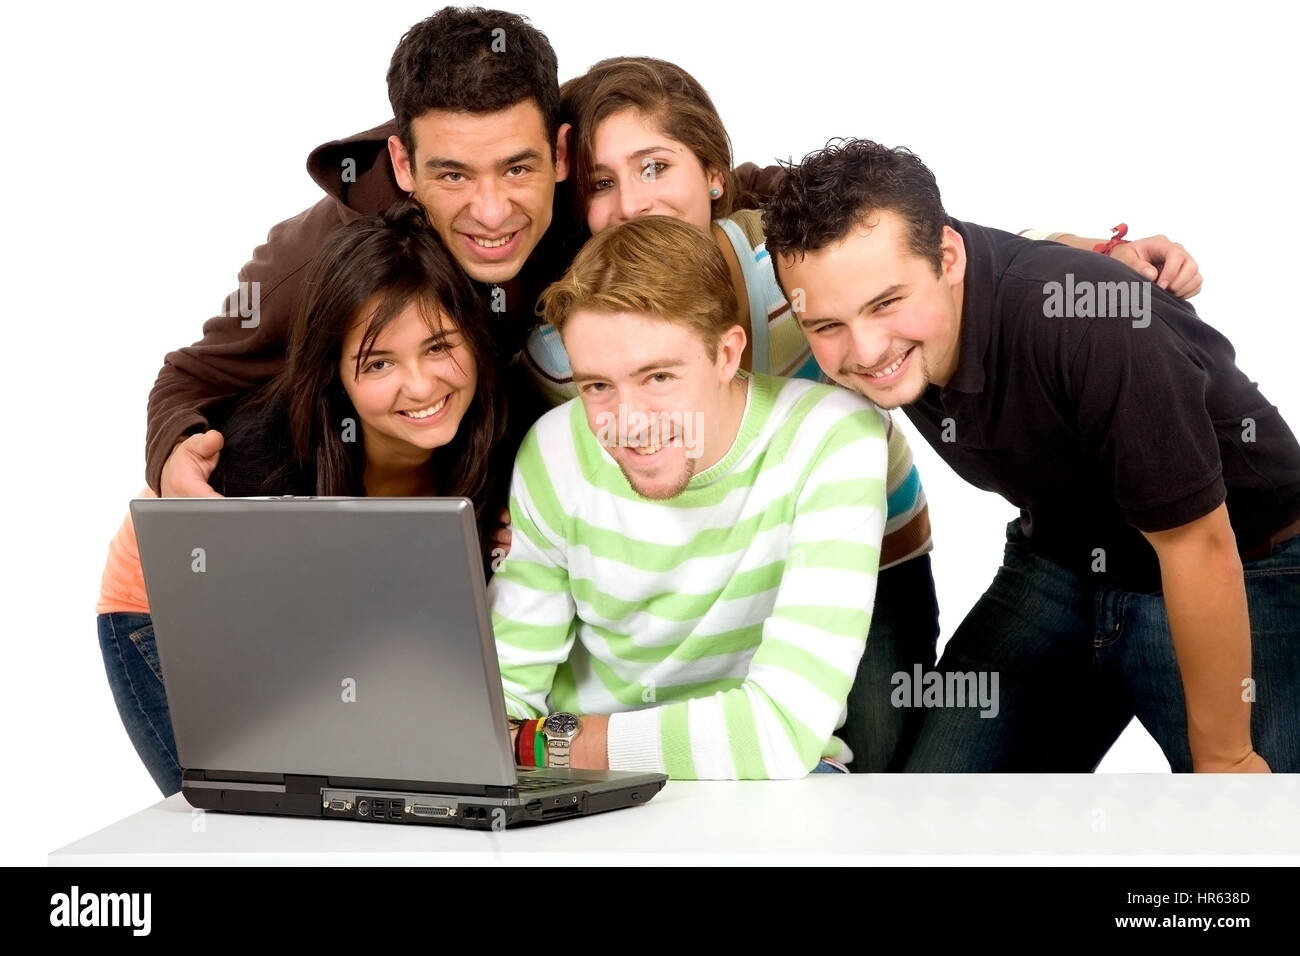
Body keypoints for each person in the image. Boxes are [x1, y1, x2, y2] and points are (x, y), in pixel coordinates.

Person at [516, 55, 1204, 771]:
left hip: (858, 545)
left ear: (713, 174)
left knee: (877, 765)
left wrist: (1092, 253)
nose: (632, 203)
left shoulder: (784, 259)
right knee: (752, 755)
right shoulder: (577, 336)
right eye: (602, 183)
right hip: (717, 572)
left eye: (655, 167)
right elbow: (535, 443)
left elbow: (936, 246)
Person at [764, 138, 1300, 773]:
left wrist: (1229, 758)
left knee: (1251, 824)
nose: (868, 349)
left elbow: (1199, 548)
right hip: (1063, 560)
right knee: (924, 810)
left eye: (887, 304)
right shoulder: (895, 265)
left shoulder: (1099, 329)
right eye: (828, 325)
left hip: (1238, 559)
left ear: (948, 257)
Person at [147, 11, 778, 503]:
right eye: (453, 176)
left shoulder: (597, 202)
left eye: (517, 169)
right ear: (403, 164)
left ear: (560, 155)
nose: (494, 211)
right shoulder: (318, 259)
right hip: (262, 535)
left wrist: (842, 203)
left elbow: (709, 184)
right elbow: (190, 376)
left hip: (445, 528)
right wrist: (175, 454)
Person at [97, 202, 506, 795]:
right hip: (170, 607)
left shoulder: (496, 429)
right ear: (335, 374)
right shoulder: (263, 459)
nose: (421, 385)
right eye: (379, 362)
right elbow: (282, 643)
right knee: (255, 811)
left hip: (328, 614)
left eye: (439, 346)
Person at [490, 215, 890, 779]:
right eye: (598, 386)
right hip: (586, 784)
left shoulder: (831, 437)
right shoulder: (554, 449)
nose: (627, 423)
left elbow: (778, 734)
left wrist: (549, 747)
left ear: (727, 354)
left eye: (658, 378)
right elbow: (501, 698)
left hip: (765, 779)